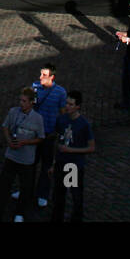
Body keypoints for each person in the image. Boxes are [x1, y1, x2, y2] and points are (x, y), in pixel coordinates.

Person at [0, 88, 45, 223]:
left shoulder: (38, 119)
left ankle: (19, 213)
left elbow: (41, 138)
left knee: (25, 188)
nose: (21, 103)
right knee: (3, 187)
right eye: (20, 100)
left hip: (26, 160)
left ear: (32, 102)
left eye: (24, 101)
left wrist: (25, 142)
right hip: (11, 157)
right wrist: (9, 140)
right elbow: (5, 126)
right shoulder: (13, 112)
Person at [51, 90, 95, 222]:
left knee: (75, 196)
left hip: (73, 166)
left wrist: (70, 150)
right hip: (61, 163)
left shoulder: (83, 125)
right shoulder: (61, 120)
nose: (67, 106)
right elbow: (58, 141)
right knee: (58, 195)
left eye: (71, 104)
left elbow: (91, 147)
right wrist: (54, 163)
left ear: (78, 106)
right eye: (67, 103)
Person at [30, 63, 69, 208]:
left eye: (44, 75)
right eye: (40, 74)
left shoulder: (60, 92)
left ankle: (42, 193)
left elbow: (63, 112)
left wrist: (61, 131)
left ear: (52, 77)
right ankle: (25, 189)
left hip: (49, 133)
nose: (40, 78)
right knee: (30, 163)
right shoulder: (35, 86)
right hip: (34, 132)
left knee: (46, 164)